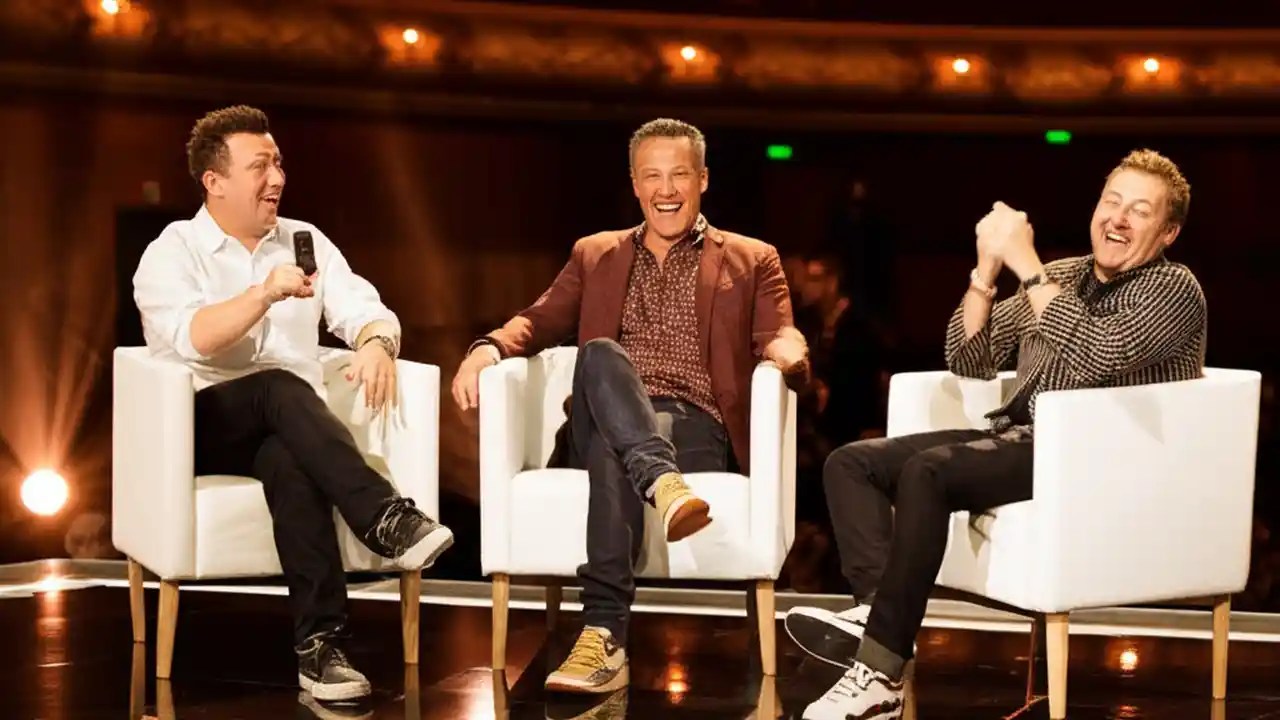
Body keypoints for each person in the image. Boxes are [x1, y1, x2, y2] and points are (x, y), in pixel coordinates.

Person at [789, 149, 1206, 720]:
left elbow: (1097, 356)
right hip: (1026, 437)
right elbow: (969, 357)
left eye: (1139, 211)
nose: (1118, 219)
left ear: (1167, 232)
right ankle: (876, 618)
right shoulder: (1063, 276)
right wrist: (986, 271)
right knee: (852, 463)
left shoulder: (1172, 289)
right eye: (1112, 202)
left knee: (928, 472)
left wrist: (1027, 267)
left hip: (1096, 456)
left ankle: (880, 676)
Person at [451, 118, 810, 693]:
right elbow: (538, 320)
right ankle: (661, 484)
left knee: (617, 449)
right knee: (598, 355)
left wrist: (791, 357)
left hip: (695, 427)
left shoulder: (751, 257)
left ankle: (603, 634)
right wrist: (486, 349)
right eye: (652, 177)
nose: (666, 191)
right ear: (635, 185)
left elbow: (779, 333)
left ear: (703, 180)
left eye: (679, 176)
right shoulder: (595, 254)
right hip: (602, 416)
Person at [132, 105, 454, 703]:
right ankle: (385, 517)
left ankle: (320, 652)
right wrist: (262, 293)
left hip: (287, 429)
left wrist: (379, 343)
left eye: (278, 162)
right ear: (215, 181)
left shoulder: (305, 241)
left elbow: (365, 308)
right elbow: (193, 338)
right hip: (201, 425)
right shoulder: (173, 250)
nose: (276, 178)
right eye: (260, 166)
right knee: (279, 386)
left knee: (290, 459)